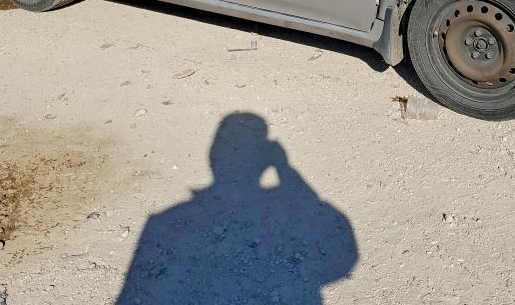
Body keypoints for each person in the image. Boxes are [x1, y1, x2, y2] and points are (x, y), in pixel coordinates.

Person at [116, 113, 357, 305]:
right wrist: (286, 170)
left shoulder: (163, 222)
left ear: (212, 156)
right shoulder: (311, 211)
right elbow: (344, 260)